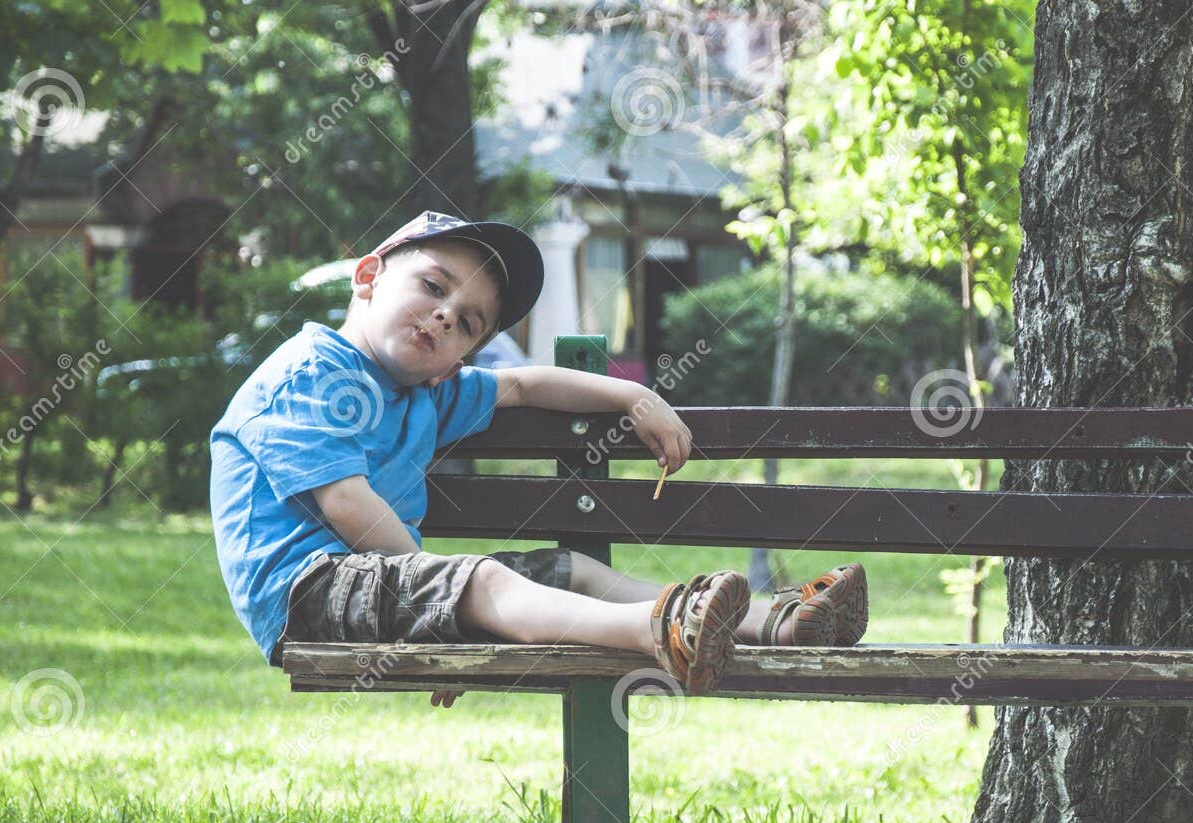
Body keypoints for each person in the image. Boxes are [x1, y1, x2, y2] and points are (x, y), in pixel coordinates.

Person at [209, 211, 867, 704]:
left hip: (382, 581)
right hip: (304, 592)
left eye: (467, 322)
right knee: (483, 582)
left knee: (568, 568)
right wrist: (446, 617)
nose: (444, 316)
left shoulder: (425, 396)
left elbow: (523, 383)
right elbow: (347, 505)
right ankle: (659, 628)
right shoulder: (310, 371)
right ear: (368, 278)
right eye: (433, 287)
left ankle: (772, 621)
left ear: (461, 357)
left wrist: (634, 395)